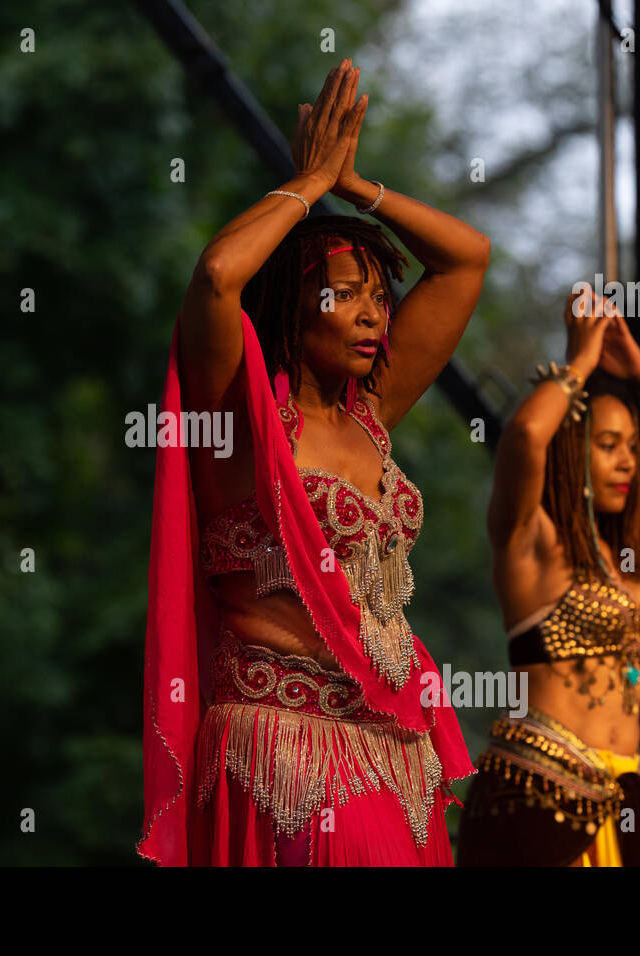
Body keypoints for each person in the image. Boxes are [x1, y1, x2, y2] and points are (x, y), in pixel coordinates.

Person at [139, 57, 491, 865]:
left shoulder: (374, 413)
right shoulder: (243, 420)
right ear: (295, 306)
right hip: (287, 746)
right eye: (345, 293)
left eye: (379, 295)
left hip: (398, 746)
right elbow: (220, 274)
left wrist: (356, 184)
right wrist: (306, 184)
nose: (373, 315)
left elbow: (467, 259)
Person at [457, 288, 640, 866]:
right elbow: (524, 437)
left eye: (635, 449)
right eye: (609, 446)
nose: (629, 462)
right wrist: (582, 361)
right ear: (571, 452)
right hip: (539, 795)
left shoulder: (626, 546)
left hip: (627, 795)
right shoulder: (530, 540)